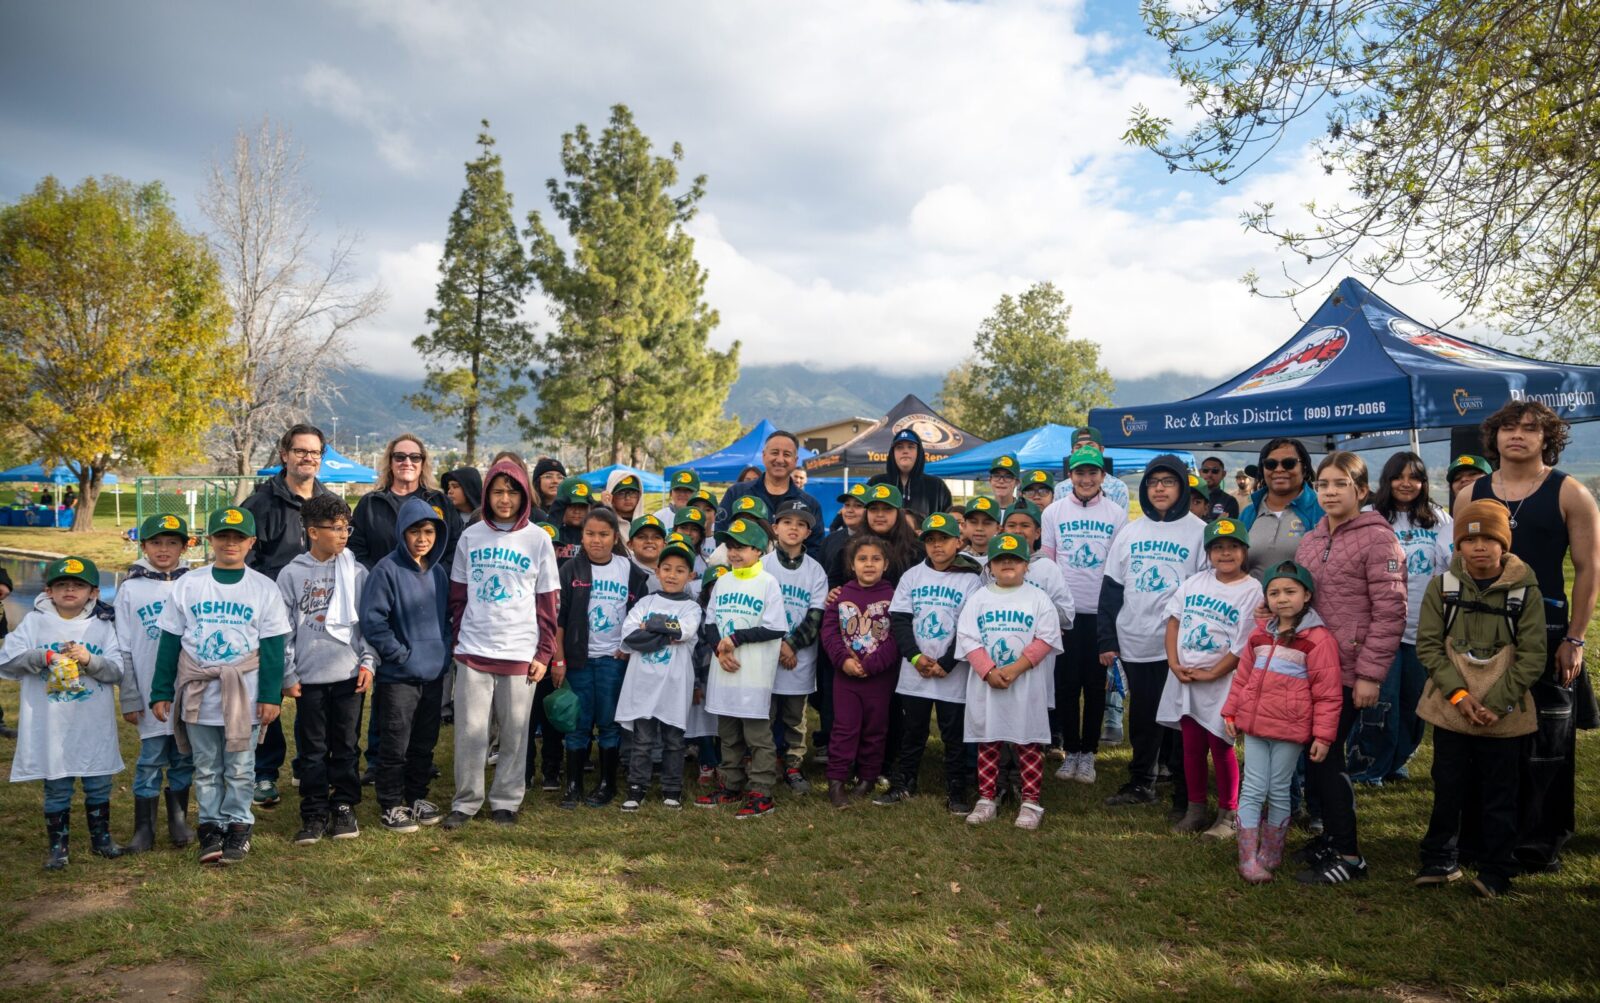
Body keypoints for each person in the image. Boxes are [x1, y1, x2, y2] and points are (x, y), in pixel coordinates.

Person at [1462, 400, 1598, 874]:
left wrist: (1575, 639)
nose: (1516, 435)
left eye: (1529, 429)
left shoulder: (1570, 493)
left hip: (1548, 630)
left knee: (1548, 742)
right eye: (1507, 428)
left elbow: (1588, 571)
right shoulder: (1471, 493)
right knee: (1486, 732)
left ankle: (1540, 842)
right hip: (1482, 630)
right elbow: (1458, 571)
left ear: (1547, 439)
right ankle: (1484, 836)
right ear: (1494, 437)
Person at [1414, 499, 1546, 898]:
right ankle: (1440, 857)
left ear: (1504, 544)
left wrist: (1498, 701)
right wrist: (1458, 694)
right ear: (1457, 547)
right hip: (1452, 706)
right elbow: (1429, 646)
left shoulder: (1525, 591)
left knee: (1500, 790)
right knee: (1448, 783)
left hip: (1503, 710)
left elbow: (1533, 653)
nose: (1480, 547)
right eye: (1470, 540)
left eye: (1490, 538)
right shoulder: (1443, 587)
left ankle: (1496, 867)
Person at [151, 507, 294, 865]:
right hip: (200, 690)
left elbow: (274, 647)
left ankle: (239, 824)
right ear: (210, 540)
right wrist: (161, 690)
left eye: (238, 537)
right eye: (222, 536)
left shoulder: (263, 587)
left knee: (242, 766)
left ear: (250, 543)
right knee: (207, 765)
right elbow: (169, 641)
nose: (230, 543)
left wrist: (270, 695)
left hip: (243, 692)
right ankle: (211, 826)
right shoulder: (190, 584)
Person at [1291, 451, 1406, 885]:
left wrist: (1370, 675)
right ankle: (1330, 839)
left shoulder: (1379, 539)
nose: (1330, 492)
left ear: (1361, 490)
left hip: (1351, 671)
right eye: (1323, 484)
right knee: (1316, 756)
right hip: (1313, 667)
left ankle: (1349, 854)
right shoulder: (1312, 538)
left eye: (1341, 484)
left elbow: (1390, 612)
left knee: (1329, 756)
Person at [444, 458, 560, 828]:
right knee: (470, 732)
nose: (505, 499)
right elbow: (458, 595)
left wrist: (544, 653)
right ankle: (466, 802)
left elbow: (548, 601)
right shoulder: (471, 535)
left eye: (512, 491)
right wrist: (458, 640)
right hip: (474, 651)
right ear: (487, 494)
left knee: (514, 733)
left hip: (520, 652)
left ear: (524, 493)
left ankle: (506, 801)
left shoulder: (538, 538)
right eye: (497, 491)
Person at [1222, 560, 1342, 884]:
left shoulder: (1318, 641)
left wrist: (1323, 736)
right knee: (1252, 788)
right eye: (1274, 592)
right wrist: (1230, 711)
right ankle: (1247, 858)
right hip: (1256, 728)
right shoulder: (1260, 636)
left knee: (1278, 790)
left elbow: (1328, 694)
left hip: (1290, 731)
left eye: (1290, 591)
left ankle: (1271, 853)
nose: (1282, 598)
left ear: (1307, 595)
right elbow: (1243, 678)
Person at [2, 557, 125, 869]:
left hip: (92, 723)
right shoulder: (34, 623)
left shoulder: (102, 626)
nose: (70, 589)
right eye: (62, 584)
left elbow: (117, 671)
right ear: (49, 590)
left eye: (79, 584)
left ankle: (102, 840)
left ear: (93, 592)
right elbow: (6, 662)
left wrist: (89, 660)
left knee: (98, 781)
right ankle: (58, 847)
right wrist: (42, 656)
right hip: (50, 723)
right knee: (57, 784)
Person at [1099, 455, 1207, 811]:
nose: (1159, 488)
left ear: (1182, 486)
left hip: (1178, 645)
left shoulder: (1199, 532)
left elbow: (1206, 591)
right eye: (1153, 482)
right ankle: (1141, 781)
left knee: (1180, 718)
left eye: (1168, 481)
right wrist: (1107, 641)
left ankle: (1183, 787)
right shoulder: (1131, 531)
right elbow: (1112, 589)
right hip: (1135, 640)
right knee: (1143, 715)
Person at [241, 424, 337, 807]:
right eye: (301, 451)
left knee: (312, 694)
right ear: (284, 454)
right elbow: (246, 563)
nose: (308, 458)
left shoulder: (328, 501)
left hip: (316, 615)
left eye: (315, 452)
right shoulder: (260, 504)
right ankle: (265, 772)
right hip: (269, 615)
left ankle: (306, 764)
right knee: (269, 695)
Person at [1349, 452, 1452, 786]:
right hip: (1381, 627)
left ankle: (1398, 761)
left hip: (1426, 627)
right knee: (1381, 702)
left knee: (1414, 702)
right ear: (1387, 480)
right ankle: (1368, 766)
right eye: (1398, 476)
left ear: (1423, 482)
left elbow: (1450, 567)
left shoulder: (1438, 518)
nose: (1406, 483)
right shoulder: (1369, 516)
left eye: (1415, 477)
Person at [277, 494, 374, 845]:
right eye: (335, 529)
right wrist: (288, 673)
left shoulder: (356, 571)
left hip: (348, 674)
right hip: (309, 680)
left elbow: (367, 625)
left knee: (346, 744)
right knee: (313, 748)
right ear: (313, 532)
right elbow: (283, 628)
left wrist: (368, 662)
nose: (344, 535)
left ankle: (344, 804)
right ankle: (314, 810)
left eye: (346, 527)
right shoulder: (291, 574)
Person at [1158, 518, 1262, 841]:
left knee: (1221, 745)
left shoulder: (1251, 590)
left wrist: (1212, 673)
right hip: (1187, 678)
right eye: (1218, 548)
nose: (1226, 553)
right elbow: (1174, 622)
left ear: (1244, 551)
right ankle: (1196, 808)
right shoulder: (1195, 582)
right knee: (1191, 746)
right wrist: (1174, 663)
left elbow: (1243, 643)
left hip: (1222, 681)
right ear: (1208, 553)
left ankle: (1229, 814)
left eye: (1233, 547)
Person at [957, 532, 1064, 830]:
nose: (1007, 564)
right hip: (987, 684)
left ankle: (1030, 801)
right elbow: (967, 636)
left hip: (1025, 684)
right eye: (1000, 559)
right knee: (988, 740)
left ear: (1026, 564)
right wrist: (988, 670)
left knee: (1027, 742)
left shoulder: (1038, 598)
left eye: (1014, 559)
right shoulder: (979, 598)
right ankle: (986, 798)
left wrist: (1016, 669)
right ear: (990, 565)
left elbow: (1046, 638)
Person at [358, 498, 451, 834]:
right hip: (399, 676)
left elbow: (445, 619)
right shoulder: (386, 570)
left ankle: (416, 796)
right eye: (415, 531)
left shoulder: (438, 572)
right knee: (395, 741)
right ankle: (391, 802)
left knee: (424, 741)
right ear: (402, 533)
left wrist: (444, 651)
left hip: (433, 673)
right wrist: (400, 654)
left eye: (428, 531)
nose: (422, 538)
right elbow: (373, 621)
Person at [879, 512, 983, 813]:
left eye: (944, 540)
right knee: (912, 731)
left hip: (952, 672)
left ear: (958, 542)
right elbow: (899, 619)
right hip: (916, 671)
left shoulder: (971, 580)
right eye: (931, 540)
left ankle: (957, 788)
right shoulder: (913, 576)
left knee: (954, 734)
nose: (937, 546)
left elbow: (969, 626)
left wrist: (948, 662)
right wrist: (914, 656)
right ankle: (904, 783)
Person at [1041, 444, 1128, 782]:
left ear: (1102, 476)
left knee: (1095, 688)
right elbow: (1048, 564)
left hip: (1099, 613)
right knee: (1064, 685)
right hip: (1065, 614)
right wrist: (1052, 612)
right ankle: (1071, 750)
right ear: (1070, 476)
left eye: (1093, 472)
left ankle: (1089, 753)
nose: (1087, 478)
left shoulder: (1116, 514)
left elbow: (1119, 569)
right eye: (1081, 472)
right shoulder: (1054, 512)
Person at [553, 507, 650, 810]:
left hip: (613, 661)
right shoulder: (570, 570)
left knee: (609, 724)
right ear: (581, 536)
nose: (597, 541)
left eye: (604, 534)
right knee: (578, 724)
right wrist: (558, 659)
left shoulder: (630, 571)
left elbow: (642, 614)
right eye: (590, 534)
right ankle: (573, 785)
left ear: (615, 537)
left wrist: (629, 645)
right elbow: (559, 620)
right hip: (579, 660)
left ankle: (607, 783)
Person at [696, 516, 789, 818]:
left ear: (759, 550)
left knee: (758, 738)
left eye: (742, 548)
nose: (735, 553)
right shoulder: (723, 580)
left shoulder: (768, 583)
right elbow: (710, 623)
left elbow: (775, 628)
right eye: (731, 547)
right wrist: (719, 649)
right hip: (724, 672)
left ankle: (761, 792)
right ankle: (731, 785)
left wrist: (734, 639)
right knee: (729, 735)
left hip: (753, 675)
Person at [115, 515, 194, 853]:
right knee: (150, 759)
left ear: (184, 546)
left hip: (186, 689)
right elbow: (123, 646)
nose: (164, 549)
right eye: (156, 543)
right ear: (143, 546)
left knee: (183, 757)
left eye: (172, 542)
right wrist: (131, 697)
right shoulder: (130, 588)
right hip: (148, 692)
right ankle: (143, 829)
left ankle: (178, 820)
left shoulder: (193, 582)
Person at [614, 539, 704, 811]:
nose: (672, 575)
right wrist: (665, 633)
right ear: (657, 572)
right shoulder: (645, 601)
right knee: (642, 740)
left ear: (690, 575)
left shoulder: (692, 607)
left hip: (674, 685)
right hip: (643, 685)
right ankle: (636, 788)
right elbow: (629, 636)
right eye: (667, 568)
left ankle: (672, 789)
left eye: (679, 570)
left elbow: (684, 631)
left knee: (674, 741)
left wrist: (651, 627)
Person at [821, 536, 901, 808]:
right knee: (845, 727)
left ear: (886, 564)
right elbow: (829, 631)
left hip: (879, 678)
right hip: (845, 678)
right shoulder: (841, 596)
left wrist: (871, 665)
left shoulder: (894, 597)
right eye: (862, 559)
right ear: (852, 565)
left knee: (875, 729)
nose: (869, 564)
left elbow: (895, 638)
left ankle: (867, 777)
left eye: (876, 559)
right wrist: (843, 660)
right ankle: (837, 780)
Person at [763, 500, 828, 793]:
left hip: (799, 658)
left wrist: (791, 645)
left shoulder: (816, 571)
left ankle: (792, 765)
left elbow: (816, 615)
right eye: (787, 522)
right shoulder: (762, 565)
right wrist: (778, 646)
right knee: (764, 714)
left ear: (808, 532)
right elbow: (756, 611)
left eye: (801, 524)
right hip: (766, 654)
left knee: (795, 718)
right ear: (775, 528)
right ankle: (763, 764)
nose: (794, 528)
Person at [349, 435, 464, 573]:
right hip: (382, 588)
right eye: (400, 457)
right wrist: (380, 576)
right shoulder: (369, 504)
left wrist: (434, 577)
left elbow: (456, 546)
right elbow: (356, 549)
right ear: (390, 463)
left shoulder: (440, 502)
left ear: (422, 464)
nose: (407, 462)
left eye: (415, 457)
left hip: (432, 589)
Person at [718, 431, 825, 560]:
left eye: (787, 454)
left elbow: (815, 549)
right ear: (764, 456)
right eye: (774, 453)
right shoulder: (737, 493)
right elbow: (721, 536)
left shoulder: (810, 504)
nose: (780, 460)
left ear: (795, 461)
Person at [1239, 437, 1324, 579]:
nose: (1279, 469)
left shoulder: (1321, 509)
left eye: (1289, 463)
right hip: (1253, 600)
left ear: (1304, 468)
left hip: (1308, 600)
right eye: (1270, 464)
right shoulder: (1249, 513)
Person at [869, 427, 952, 520]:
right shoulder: (876, 483)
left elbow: (947, 522)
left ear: (919, 452)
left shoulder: (936, 486)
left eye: (911, 446)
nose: (905, 451)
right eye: (899, 447)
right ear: (893, 453)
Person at [1053, 428, 1130, 512]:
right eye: (1078, 447)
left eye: (1090, 446)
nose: (1085, 450)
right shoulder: (1061, 489)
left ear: (1101, 450)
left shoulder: (1118, 488)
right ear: (1072, 452)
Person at [546, 476, 594, 561]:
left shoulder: (593, 535)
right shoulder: (556, 532)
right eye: (571, 506)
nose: (577, 511)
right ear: (561, 506)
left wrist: (597, 507)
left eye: (582, 506)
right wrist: (556, 510)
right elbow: (547, 538)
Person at [627, 514, 668, 592]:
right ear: (630, 544)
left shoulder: (673, 571)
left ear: (664, 545)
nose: (649, 541)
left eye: (656, 537)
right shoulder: (623, 569)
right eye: (642, 537)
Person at [962, 496, 1001, 565]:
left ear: (998, 529)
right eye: (973, 522)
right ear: (964, 526)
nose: (979, 528)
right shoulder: (957, 559)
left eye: (987, 523)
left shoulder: (1004, 558)